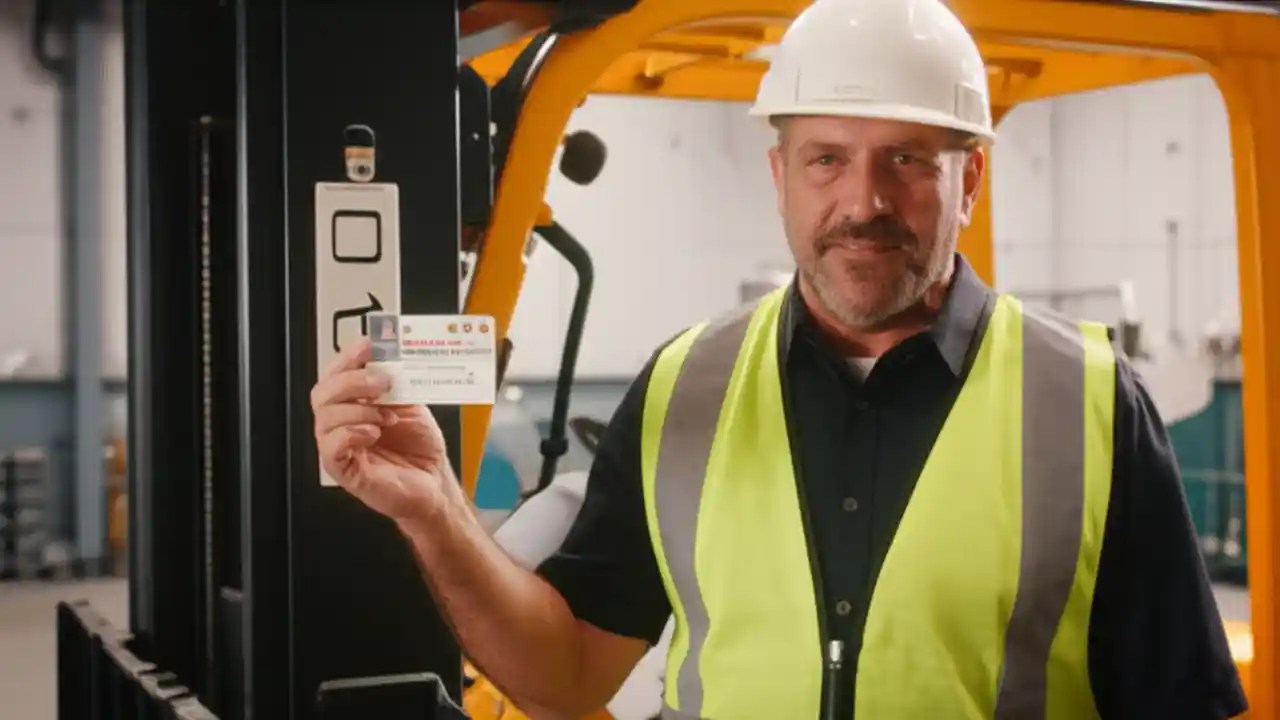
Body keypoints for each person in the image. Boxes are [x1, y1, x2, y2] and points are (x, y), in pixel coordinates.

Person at [309, 0, 1249, 717]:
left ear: (972, 181)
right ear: (781, 177)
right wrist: (434, 508)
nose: (863, 199)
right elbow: (566, 673)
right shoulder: (685, 388)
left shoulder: (1087, 405)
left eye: (910, 159)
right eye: (827, 159)